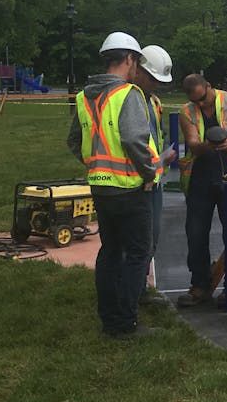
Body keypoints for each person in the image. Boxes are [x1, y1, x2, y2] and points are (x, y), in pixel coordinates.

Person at [67, 31, 160, 338]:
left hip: (100, 188)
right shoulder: (127, 94)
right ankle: (125, 322)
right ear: (130, 59)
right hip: (130, 189)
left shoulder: (84, 96)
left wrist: (95, 164)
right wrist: (148, 174)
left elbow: (73, 141)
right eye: (137, 63)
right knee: (137, 254)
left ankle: (109, 319)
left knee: (109, 252)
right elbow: (134, 139)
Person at [177, 73, 227, 306]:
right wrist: (207, 145)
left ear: (209, 87)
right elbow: (192, 144)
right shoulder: (187, 112)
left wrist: (225, 142)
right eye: (196, 101)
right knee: (196, 232)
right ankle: (200, 285)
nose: (201, 105)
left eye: (204, 99)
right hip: (200, 176)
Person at [133, 44, 176, 295]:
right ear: (138, 69)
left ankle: (140, 287)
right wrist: (157, 163)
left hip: (154, 179)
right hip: (139, 181)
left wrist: (161, 161)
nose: (155, 84)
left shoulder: (153, 101)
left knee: (151, 239)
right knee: (140, 241)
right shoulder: (130, 99)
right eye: (152, 78)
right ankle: (136, 292)